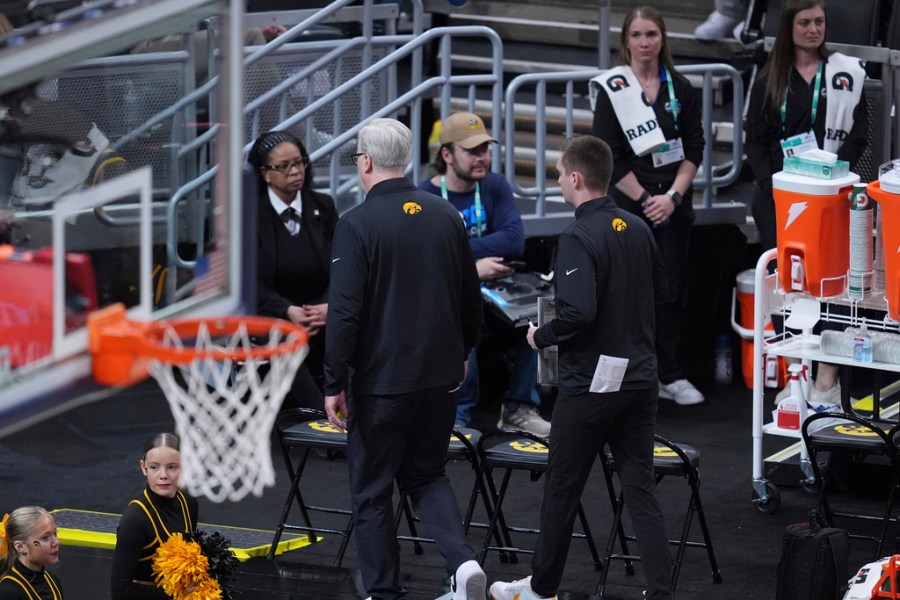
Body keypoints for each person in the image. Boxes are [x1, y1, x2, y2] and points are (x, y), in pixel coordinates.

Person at [489, 135, 673, 600]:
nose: (557, 181)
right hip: (640, 379)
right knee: (640, 489)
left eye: (558, 174)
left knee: (563, 488)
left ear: (575, 178)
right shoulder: (638, 227)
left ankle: (541, 588)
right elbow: (661, 293)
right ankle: (661, 592)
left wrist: (540, 336)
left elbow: (578, 313)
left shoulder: (577, 236)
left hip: (590, 384)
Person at [323, 118, 486, 600]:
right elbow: (470, 298)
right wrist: (463, 352)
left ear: (366, 162)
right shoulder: (446, 214)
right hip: (440, 374)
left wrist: (333, 381)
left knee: (373, 491)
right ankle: (463, 564)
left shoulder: (355, 224)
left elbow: (344, 313)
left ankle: (384, 593)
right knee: (428, 474)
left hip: (382, 381)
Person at [746, 0, 867, 406]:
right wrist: (773, 187)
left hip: (829, 198)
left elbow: (858, 136)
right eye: (805, 22)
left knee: (830, 286)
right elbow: (755, 142)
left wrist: (830, 177)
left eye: (819, 22)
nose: (813, 29)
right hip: (782, 199)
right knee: (786, 285)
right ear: (789, 27)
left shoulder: (844, 75)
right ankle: (795, 375)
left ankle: (826, 380)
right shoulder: (770, 78)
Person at [590, 5, 705, 406]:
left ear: (662, 38)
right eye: (636, 35)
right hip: (628, 203)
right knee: (625, 293)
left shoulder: (681, 88)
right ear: (626, 41)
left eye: (651, 34)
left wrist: (672, 197)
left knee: (670, 292)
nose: (644, 42)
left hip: (673, 203)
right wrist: (643, 199)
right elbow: (608, 153)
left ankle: (670, 374)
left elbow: (694, 148)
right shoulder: (613, 89)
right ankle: (628, 377)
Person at [418, 111, 551, 436]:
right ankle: (457, 415)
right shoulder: (426, 196)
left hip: (499, 285)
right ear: (447, 155)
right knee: (462, 312)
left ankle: (522, 406)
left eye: (485, 149)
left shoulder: (494, 185)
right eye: (472, 151)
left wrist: (457, 250)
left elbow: (513, 239)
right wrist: (471, 268)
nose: (482, 157)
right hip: (455, 289)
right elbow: (426, 256)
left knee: (547, 310)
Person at [248, 130, 339, 409]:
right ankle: (321, 415)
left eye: (299, 162)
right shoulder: (248, 214)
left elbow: (341, 264)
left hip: (320, 309)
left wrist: (327, 306)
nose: (295, 171)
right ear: (265, 173)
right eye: (284, 166)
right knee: (282, 336)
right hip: (273, 311)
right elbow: (244, 280)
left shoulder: (323, 206)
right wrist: (288, 310)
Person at [111, 433, 199, 600]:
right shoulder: (135, 520)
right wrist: (177, 594)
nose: (163, 475)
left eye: (172, 467)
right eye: (154, 467)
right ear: (143, 467)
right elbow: (120, 592)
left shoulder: (188, 502)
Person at [0, 507, 63, 600]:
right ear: (20, 547)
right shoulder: (9, 591)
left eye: (55, 533)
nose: (56, 542)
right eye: (45, 538)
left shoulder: (53, 581)